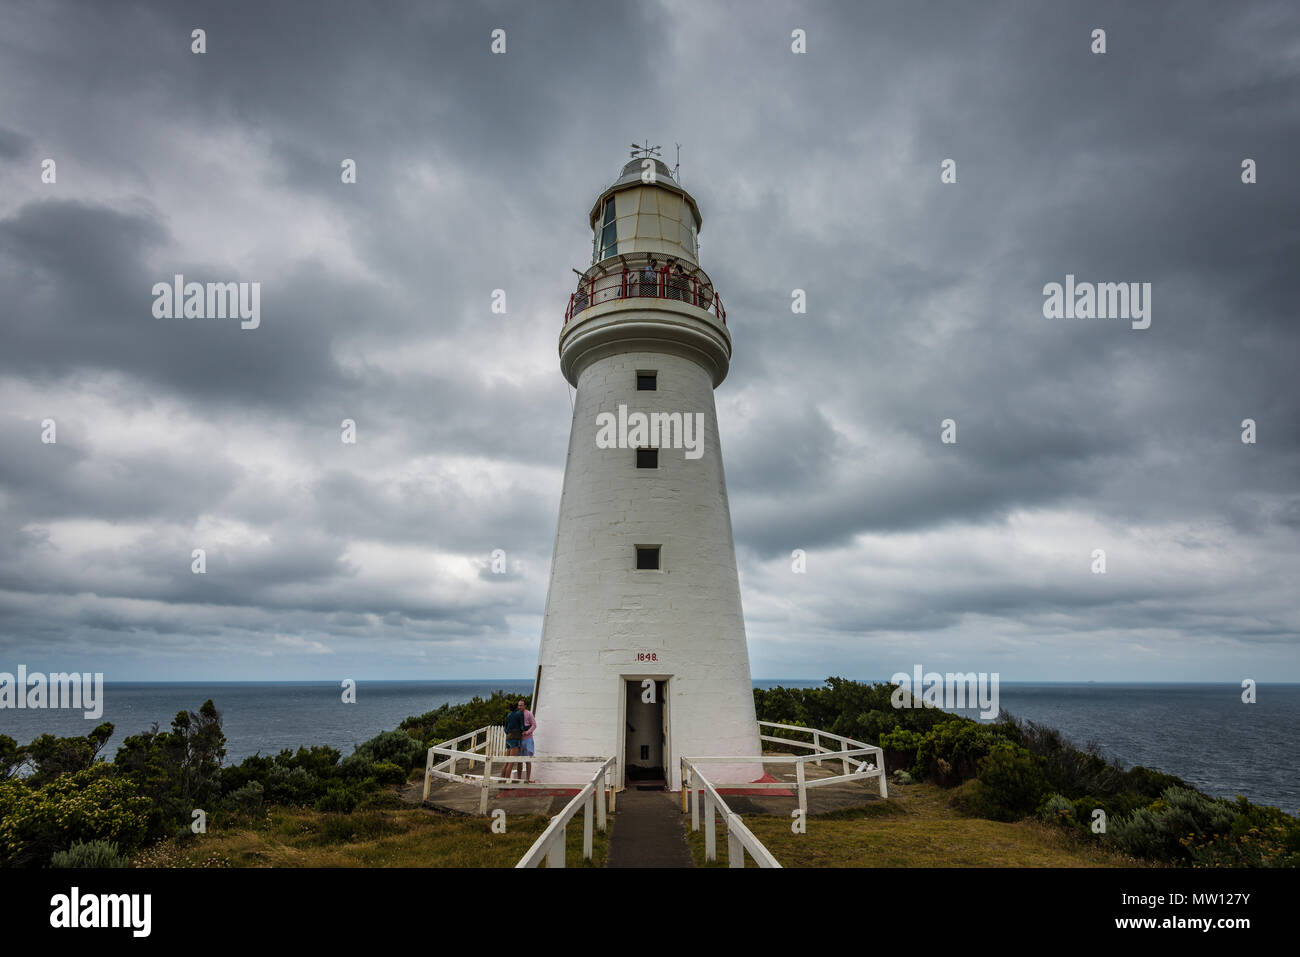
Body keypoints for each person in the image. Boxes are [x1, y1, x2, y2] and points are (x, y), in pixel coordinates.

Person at [502, 700, 526, 782]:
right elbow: (523, 727)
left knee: (506, 762)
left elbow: (505, 728)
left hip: (508, 739)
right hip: (515, 739)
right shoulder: (520, 714)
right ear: (517, 706)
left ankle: (501, 782)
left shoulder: (509, 714)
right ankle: (506, 784)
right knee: (511, 763)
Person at [517, 699, 537, 784]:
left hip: (528, 740)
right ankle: (518, 779)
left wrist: (527, 732)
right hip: (519, 740)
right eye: (519, 705)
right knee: (519, 761)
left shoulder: (529, 714)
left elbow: (534, 725)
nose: (520, 707)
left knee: (528, 760)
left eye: (521, 705)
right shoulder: (517, 714)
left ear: (525, 706)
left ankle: (527, 779)